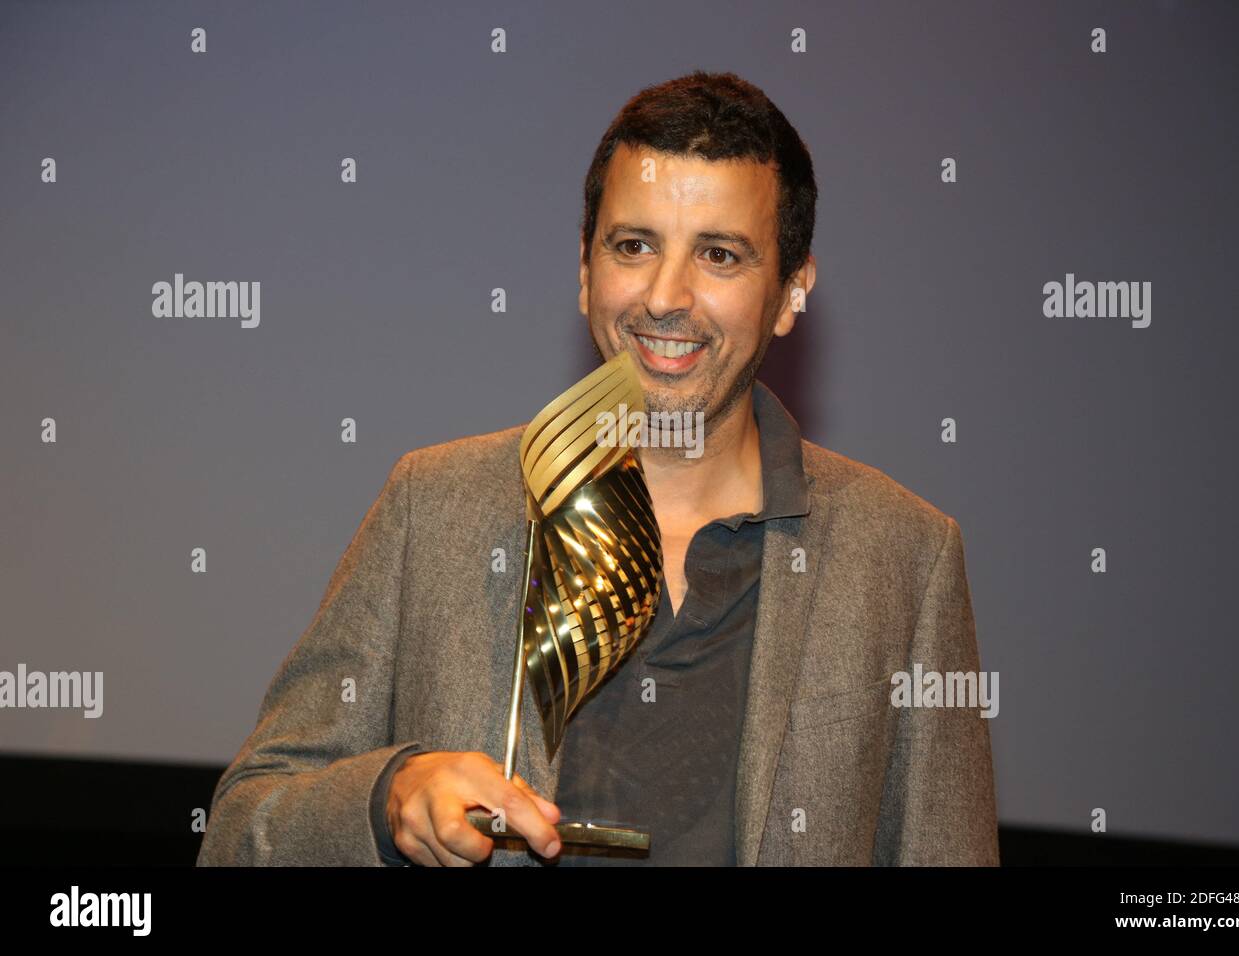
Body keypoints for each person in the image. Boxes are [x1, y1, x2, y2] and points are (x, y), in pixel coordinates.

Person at [196, 70, 998, 867]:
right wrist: (392, 798)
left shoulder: (904, 556)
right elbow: (241, 832)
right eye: (634, 245)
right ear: (585, 267)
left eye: (720, 255)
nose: (663, 295)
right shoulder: (433, 506)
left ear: (791, 292)